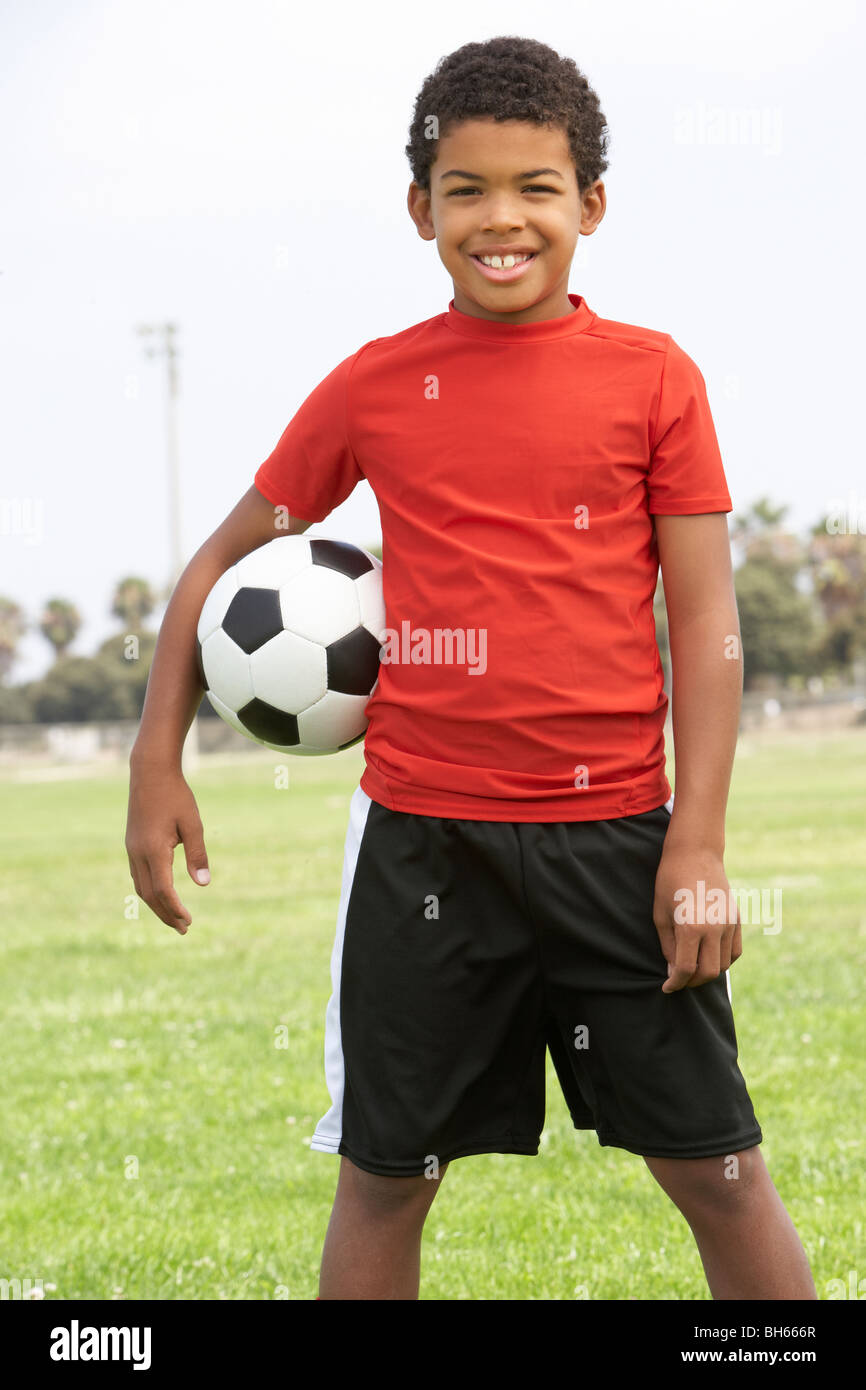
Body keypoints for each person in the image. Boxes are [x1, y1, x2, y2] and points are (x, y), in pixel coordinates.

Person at [126, 35, 816, 1301]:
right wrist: (152, 757)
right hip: (421, 846)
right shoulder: (377, 385)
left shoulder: (654, 379)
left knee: (717, 1173)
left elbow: (710, 625)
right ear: (420, 208)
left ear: (589, 205)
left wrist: (697, 842)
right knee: (386, 1179)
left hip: (614, 838)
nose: (500, 219)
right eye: (466, 189)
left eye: (535, 188)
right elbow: (216, 566)